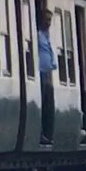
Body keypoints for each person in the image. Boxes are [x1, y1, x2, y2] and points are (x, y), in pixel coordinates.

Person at [37, 9, 55, 145]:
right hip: (40, 73)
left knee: (48, 105)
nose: (48, 23)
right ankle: (41, 133)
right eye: (46, 19)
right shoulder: (37, 35)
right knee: (42, 104)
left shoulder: (46, 35)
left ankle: (47, 133)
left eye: (50, 20)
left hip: (48, 73)